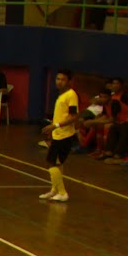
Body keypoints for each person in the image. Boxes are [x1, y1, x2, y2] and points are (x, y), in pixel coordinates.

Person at [40, 69, 79, 203]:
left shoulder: (71, 95)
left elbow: (73, 116)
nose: (59, 82)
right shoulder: (61, 95)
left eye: (63, 79)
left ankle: (62, 193)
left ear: (69, 81)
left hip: (64, 136)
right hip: (57, 134)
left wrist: (55, 126)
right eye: (57, 79)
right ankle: (54, 190)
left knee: (51, 163)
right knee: (58, 163)